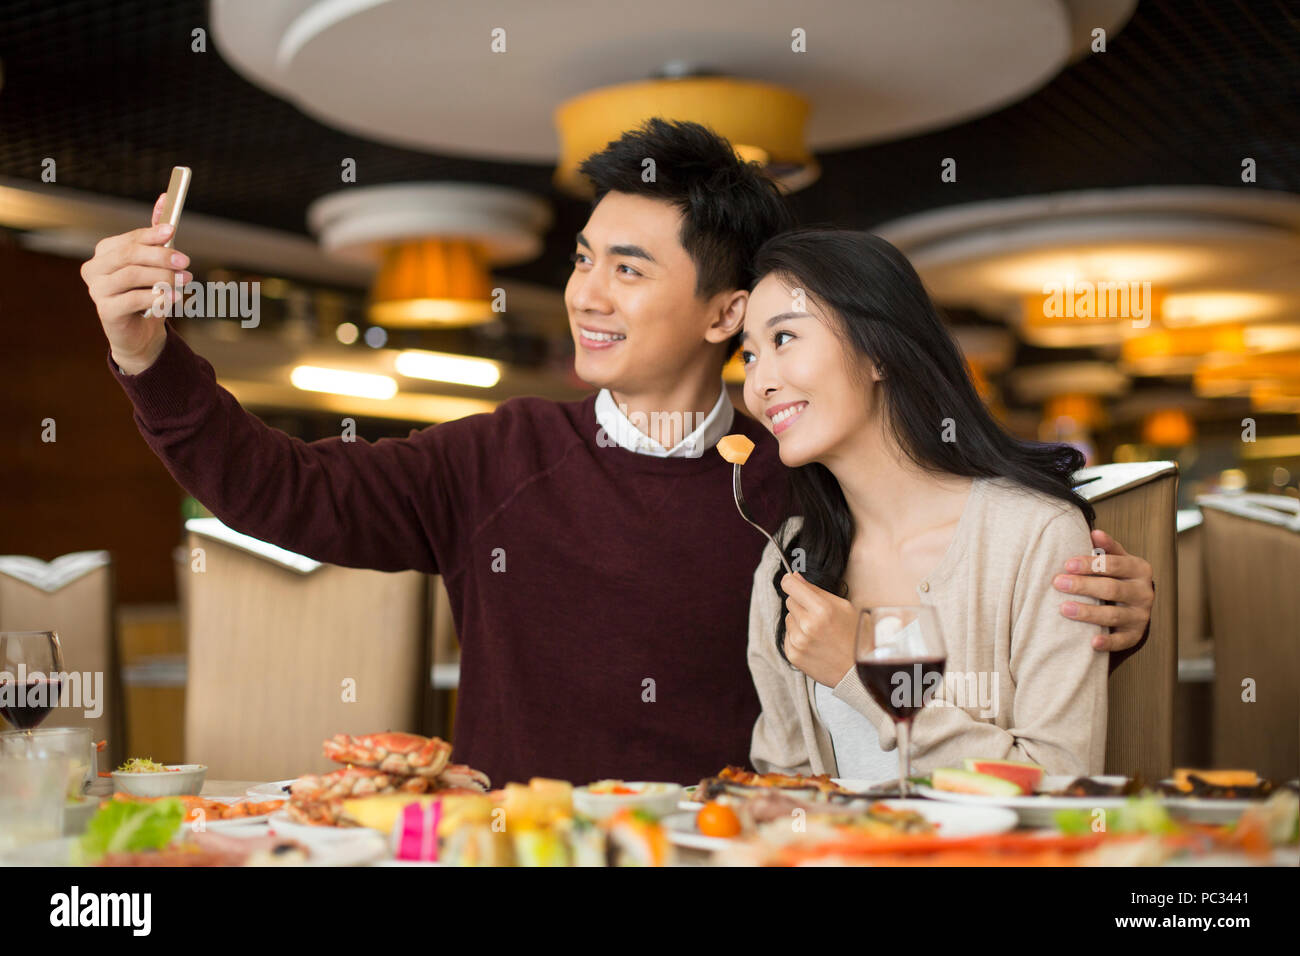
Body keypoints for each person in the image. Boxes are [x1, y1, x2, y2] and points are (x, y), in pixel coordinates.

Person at [78, 119, 1152, 786]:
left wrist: (1114, 598)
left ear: (725, 311)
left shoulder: (798, 486)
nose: (587, 293)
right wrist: (145, 354)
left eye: (628, 269)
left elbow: (959, 550)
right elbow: (277, 488)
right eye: (584, 259)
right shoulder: (499, 458)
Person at [742, 229, 1111, 778]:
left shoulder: (1034, 533)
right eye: (748, 355)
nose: (759, 383)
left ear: (878, 352)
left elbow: (1061, 780)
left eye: (784, 338)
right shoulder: (788, 560)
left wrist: (862, 670)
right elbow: (786, 780)